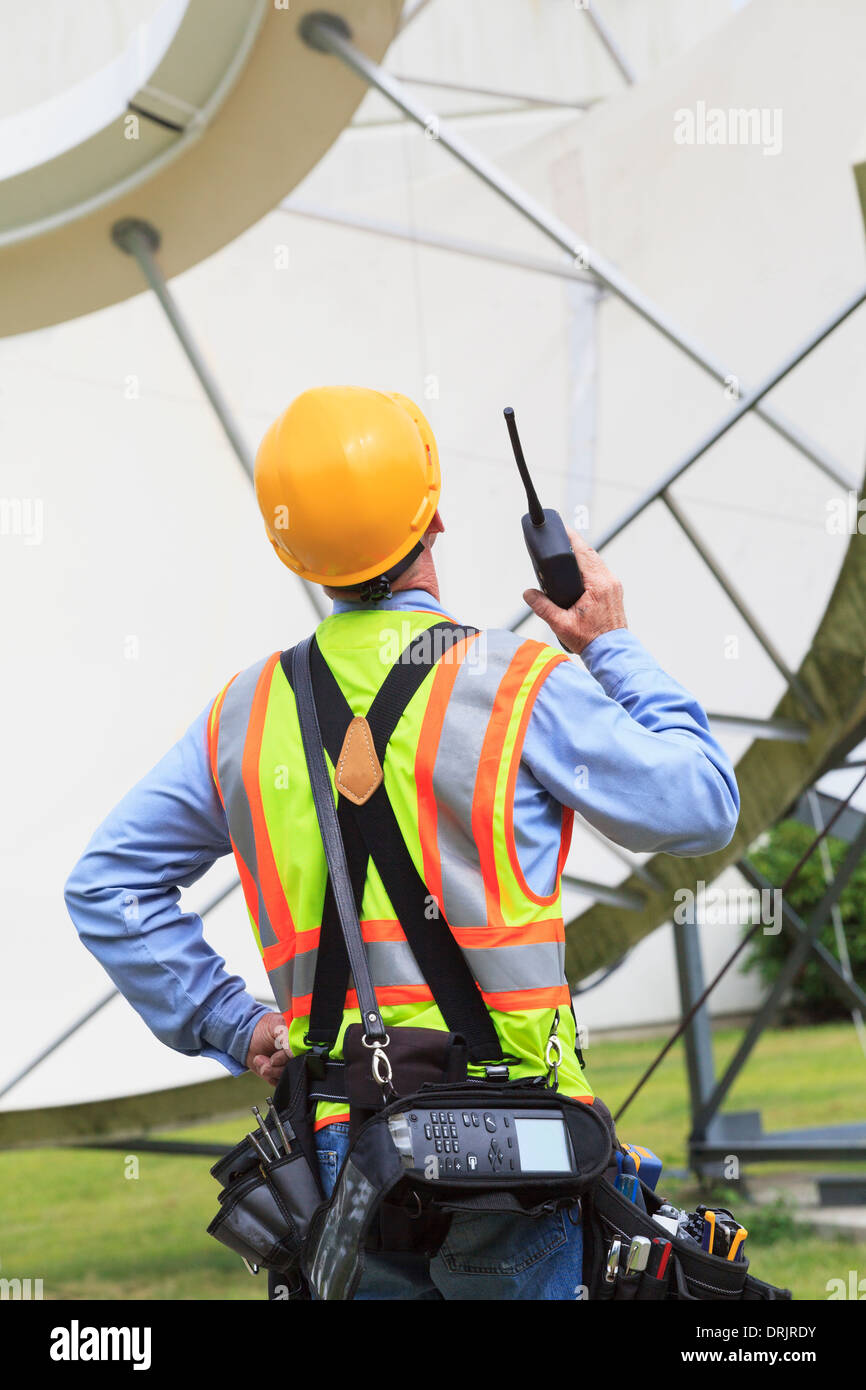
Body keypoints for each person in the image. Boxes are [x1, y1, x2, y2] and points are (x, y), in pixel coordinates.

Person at [65, 385, 739, 1300]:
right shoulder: (514, 681)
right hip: (520, 1149)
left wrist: (237, 1023)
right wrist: (609, 644)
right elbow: (701, 802)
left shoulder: (244, 713)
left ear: (291, 547)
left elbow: (109, 888)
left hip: (344, 1165)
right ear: (435, 522)